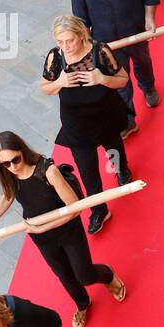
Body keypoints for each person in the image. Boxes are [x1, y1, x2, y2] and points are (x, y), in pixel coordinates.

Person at [0, 131, 126, 327]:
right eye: (5, 164)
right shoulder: (11, 174)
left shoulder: (47, 171)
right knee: (65, 276)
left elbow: (74, 209)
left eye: (15, 159)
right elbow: (8, 195)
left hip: (68, 230)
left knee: (84, 275)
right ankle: (83, 304)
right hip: (42, 238)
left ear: (22, 150)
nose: (13, 167)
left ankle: (107, 275)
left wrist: (42, 227)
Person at [39, 15, 132, 234]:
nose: (65, 46)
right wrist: (59, 82)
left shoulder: (100, 51)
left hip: (104, 117)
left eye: (69, 40)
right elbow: (44, 86)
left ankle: (122, 170)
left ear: (81, 35)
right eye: (60, 42)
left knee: (114, 149)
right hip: (76, 126)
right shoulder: (56, 57)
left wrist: (102, 79)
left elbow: (123, 79)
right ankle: (99, 210)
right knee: (88, 172)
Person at [71, 0, 160, 138]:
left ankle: (148, 87)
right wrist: (85, 41)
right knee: (120, 81)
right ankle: (128, 120)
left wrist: (149, 19)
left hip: (136, 34)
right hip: (106, 43)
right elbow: (79, 14)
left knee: (143, 62)